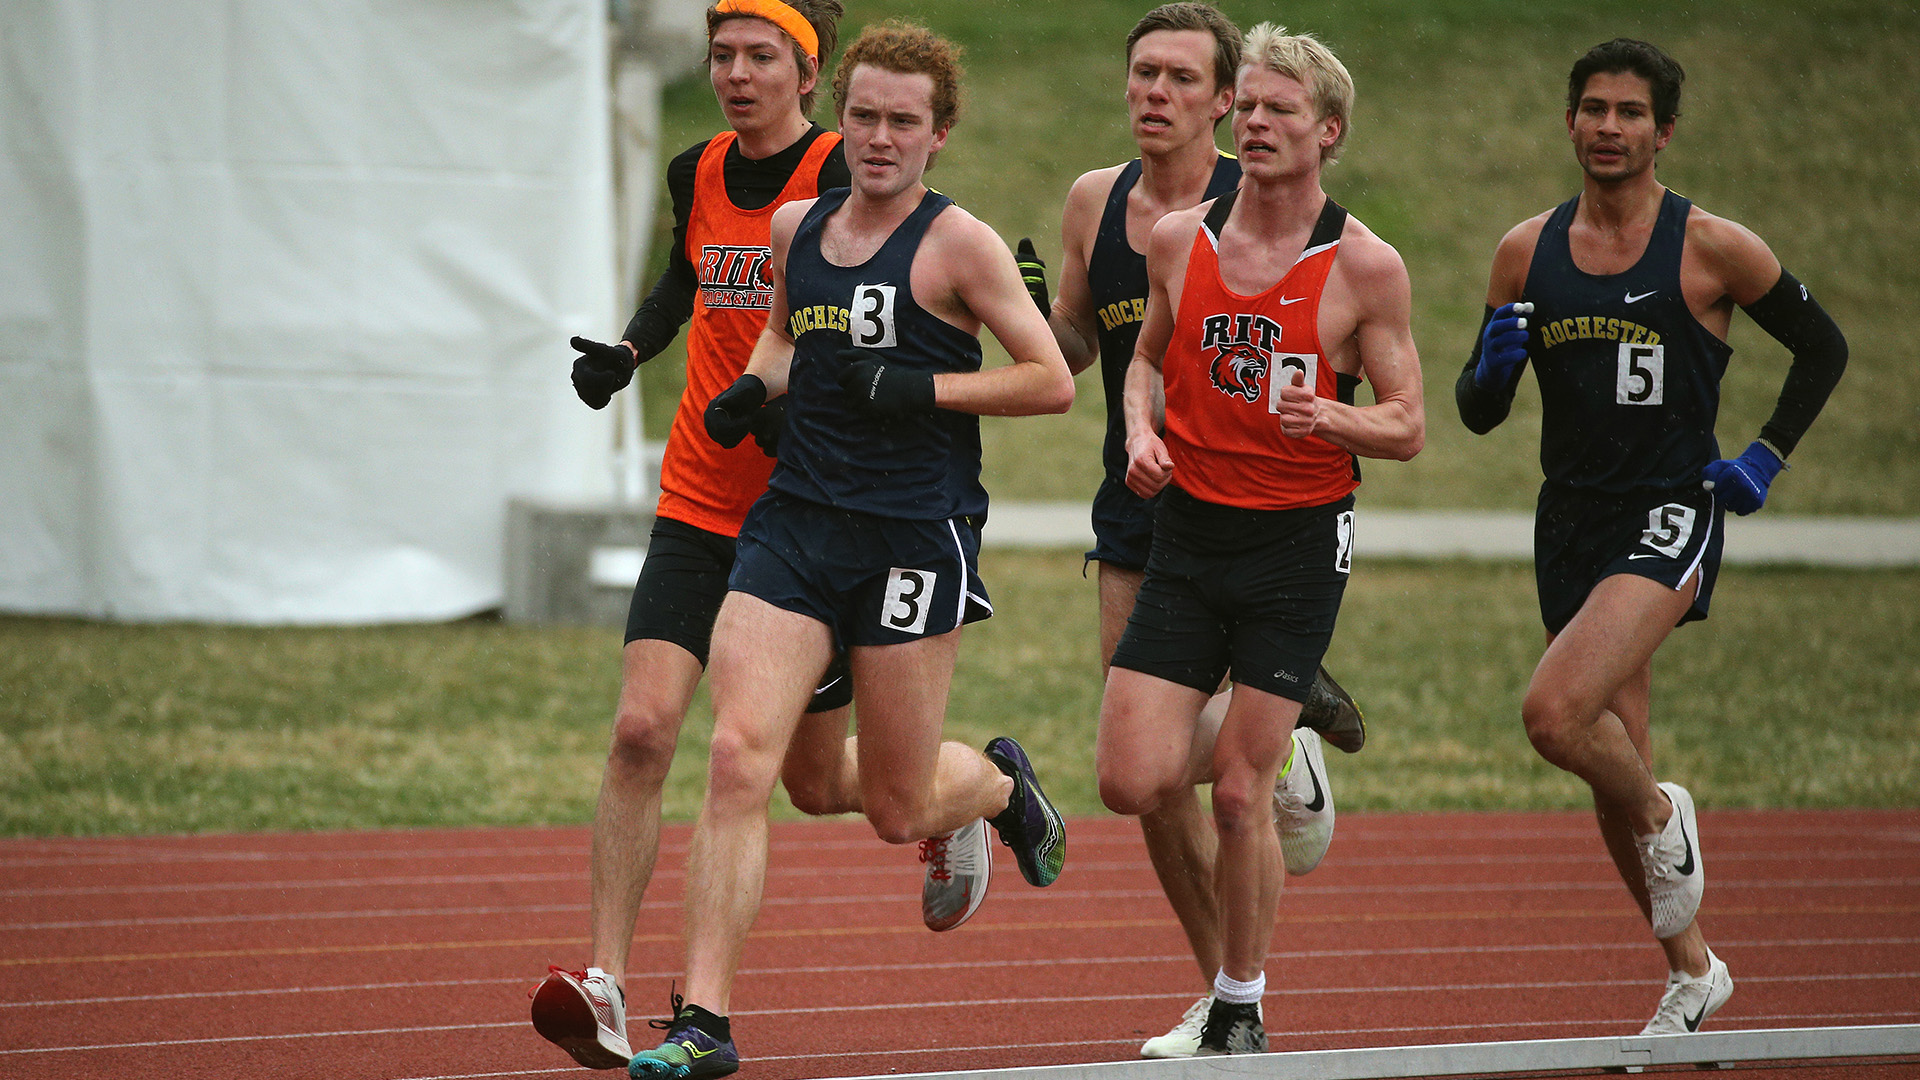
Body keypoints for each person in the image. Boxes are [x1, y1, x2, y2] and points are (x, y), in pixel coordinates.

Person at [626, 21, 1077, 1078]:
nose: (878, 137)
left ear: (940, 134)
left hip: (914, 538)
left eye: (902, 122)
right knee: (741, 757)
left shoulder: (958, 244)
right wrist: (754, 385)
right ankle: (705, 1023)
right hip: (795, 525)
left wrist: (925, 387)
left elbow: (1049, 378)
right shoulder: (798, 226)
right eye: (865, 115)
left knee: (891, 806)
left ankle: (1002, 789)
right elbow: (783, 330)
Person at [1455, 38, 1847, 1035]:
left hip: (1670, 508)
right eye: (1593, 108)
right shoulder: (1524, 250)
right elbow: (1477, 412)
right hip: (1570, 520)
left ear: (1663, 131)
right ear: (1571, 119)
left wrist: (1765, 453)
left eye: (1631, 112)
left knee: (1555, 715)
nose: (1609, 127)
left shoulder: (1712, 246)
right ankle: (1693, 969)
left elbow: (1823, 346)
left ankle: (1664, 816)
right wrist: (1492, 374)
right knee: (1606, 749)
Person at [1016, 4, 1368, 1057]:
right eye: (1141, 75)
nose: (1153, 95)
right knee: (1144, 780)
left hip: (1255, 516)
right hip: (1136, 503)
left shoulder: (1258, 206)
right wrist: (1034, 323)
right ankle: (1217, 984)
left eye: (1179, 78)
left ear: (1226, 101)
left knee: (1214, 779)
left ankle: (1237, 985)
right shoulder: (1097, 200)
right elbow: (1082, 341)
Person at [529, 2, 868, 1070]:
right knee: (642, 733)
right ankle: (607, 984)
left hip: (806, 519)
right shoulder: (697, 168)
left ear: (804, 72)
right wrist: (629, 352)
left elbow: (866, 314)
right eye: (721, 54)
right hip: (696, 502)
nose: (734, 72)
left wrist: (781, 402)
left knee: (821, 783)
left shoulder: (842, 173)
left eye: (760, 56)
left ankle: (977, 791)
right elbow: (687, 280)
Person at [1098, 23, 1424, 1056]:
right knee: (1129, 779)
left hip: (1296, 541)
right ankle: (1286, 730)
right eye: (1251, 104)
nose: (1260, 121)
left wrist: (1333, 416)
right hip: (1189, 529)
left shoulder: (1364, 266)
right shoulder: (1178, 240)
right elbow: (1143, 357)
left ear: (1329, 131)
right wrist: (1139, 431)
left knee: (1235, 792)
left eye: (1284, 109)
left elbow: (1409, 423)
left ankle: (1239, 1003)